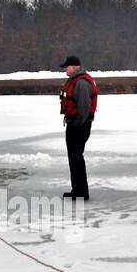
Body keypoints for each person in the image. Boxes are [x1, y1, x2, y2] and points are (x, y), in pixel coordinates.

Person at [58, 55, 96, 200]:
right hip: (75, 124)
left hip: (79, 126)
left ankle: (81, 192)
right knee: (74, 158)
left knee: (76, 158)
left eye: (66, 67)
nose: (64, 70)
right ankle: (77, 190)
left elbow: (84, 107)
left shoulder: (81, 83)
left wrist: (78, 124)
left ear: (74, 67)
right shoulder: (75, 81)